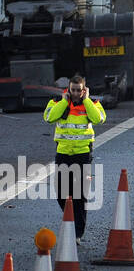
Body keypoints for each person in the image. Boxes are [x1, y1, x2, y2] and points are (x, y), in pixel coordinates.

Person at [43, 74, 105, 242]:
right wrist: (64, 101)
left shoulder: (92, 104)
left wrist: (86, 100)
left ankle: (77, 233)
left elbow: (98, 119)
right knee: (61, 194)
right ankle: (70, 217)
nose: (76, 93)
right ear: (68, 90)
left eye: (79, 90)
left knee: (79, 196)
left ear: (84, 90)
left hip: (82, 155)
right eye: (73, 90)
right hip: (63, 154)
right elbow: (49, 117)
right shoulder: (57, 102)